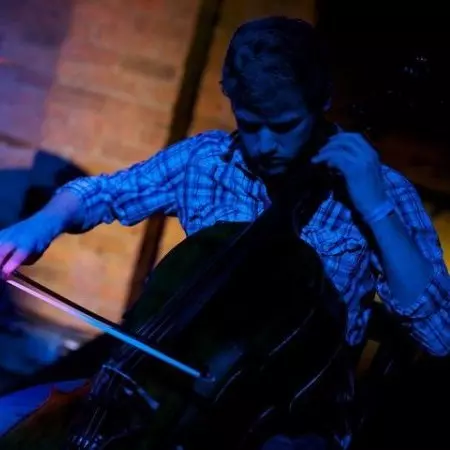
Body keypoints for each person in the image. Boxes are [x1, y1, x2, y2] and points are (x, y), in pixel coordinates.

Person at [0, 15, 449, 449]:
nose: (265, 144)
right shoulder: (208, 160)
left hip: (286, 419)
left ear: (322, 100)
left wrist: (375, 208)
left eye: (285, 125)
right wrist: (42, 223)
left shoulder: (381, 189)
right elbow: (103, 193)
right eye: (249, 125)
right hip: (168, 387)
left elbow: (440, 333)